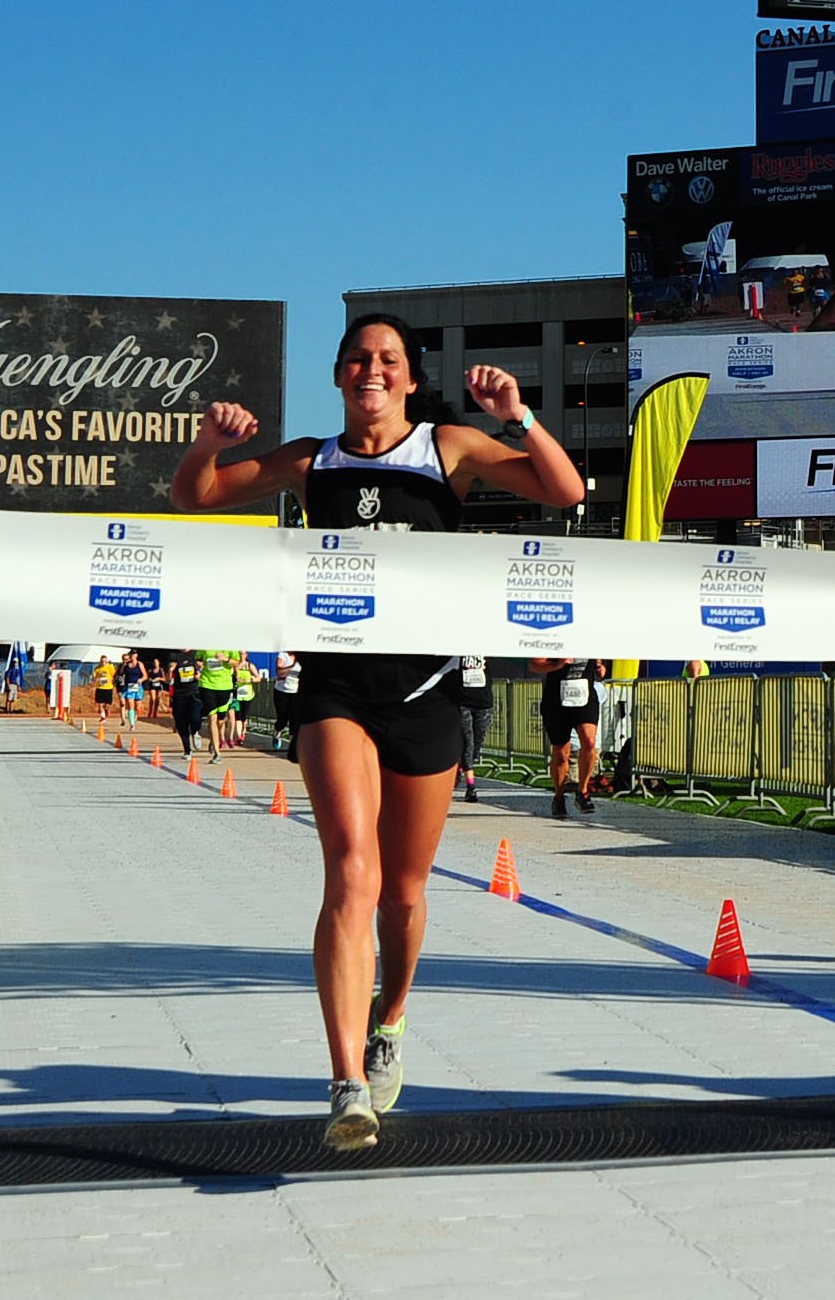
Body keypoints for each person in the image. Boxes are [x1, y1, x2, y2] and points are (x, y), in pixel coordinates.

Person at [171, 312, 581, 1150]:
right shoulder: (310, 460)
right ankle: (347, 1082)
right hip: (335, 687)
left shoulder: (448, 448)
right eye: (359, 357)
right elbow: (195, 495)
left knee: (403, 890)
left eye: (388, 359)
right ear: (337, 372)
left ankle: (388, 1018)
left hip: (426, 690)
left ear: (408, 376)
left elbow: (565, 490)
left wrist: (520, 415)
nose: (372, 369)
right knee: (350, 872)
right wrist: (207, 440)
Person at [532, 655, 608, 818]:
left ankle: (583, 792)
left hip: (584, 695)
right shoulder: (553, 637)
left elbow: (599, 664)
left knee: (589, 741)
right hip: (556, 699)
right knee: (561, 753)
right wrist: (557, 665)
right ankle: (559, 797)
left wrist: (600, 667)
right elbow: (535, 664)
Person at [451, 656, 494, 804]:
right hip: (462, 701)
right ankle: (471, 787)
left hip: (483, 701)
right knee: (467, 742)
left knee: (476, 745)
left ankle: (459, 766)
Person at [194, 649, 241, 761]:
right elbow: (197, 660)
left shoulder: (230, 646)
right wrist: (198, 664)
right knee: (212, 717)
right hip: (207, 684)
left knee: (220, 720)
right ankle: (217, 753)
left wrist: (225, 659)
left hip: (225, 686)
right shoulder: (204, 645)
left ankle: (213, 739)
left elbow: (237, 663)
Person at [170, 650, 204, 757]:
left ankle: (195, 732)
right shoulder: (174, 655)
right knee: (181, 723)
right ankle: (187, 750)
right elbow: (168, 677)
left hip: (194, 692)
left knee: (195, 718)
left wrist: (200, 673)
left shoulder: (196, 654)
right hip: (179, 694)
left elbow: (204, 668)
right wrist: (170, 670)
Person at [273, 650, 302, 748]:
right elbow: (279, 672)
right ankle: (277, 733)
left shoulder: (302, 656)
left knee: (295, 720)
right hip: (282, 691)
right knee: (282, 720)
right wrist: (292, 666)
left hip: (296, 692)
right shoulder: (283, 656)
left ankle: (292, 747)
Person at [92, 651, 117, 719]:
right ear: (100, 661)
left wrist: (110, 680)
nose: (103, 663)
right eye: (102, 661)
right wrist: (97, 680)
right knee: (100, 704)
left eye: (105, 661)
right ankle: (102, 716)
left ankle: (106, 710)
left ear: (106, 661)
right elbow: (94, 677)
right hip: (100, 688)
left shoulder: (110, 667)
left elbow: (114, 676)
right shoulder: (97, 668)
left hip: (108, 688)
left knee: (107, 705)